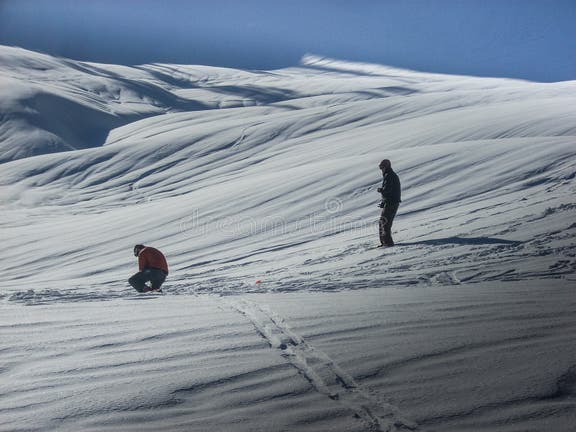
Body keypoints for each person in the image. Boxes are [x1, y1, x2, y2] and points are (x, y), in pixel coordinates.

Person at [377, 159, 401, 247]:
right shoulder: (389, 175)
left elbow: (388, 190)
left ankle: (388, 243)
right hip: (391, 202)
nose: (381, 170)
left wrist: (381, 190)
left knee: (385, 223)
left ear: (386, 167)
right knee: (383, 222)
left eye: (382, 167)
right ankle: (385, 242)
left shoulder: (389, 176)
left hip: (392, 203)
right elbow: (390, 191)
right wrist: (383, 202)